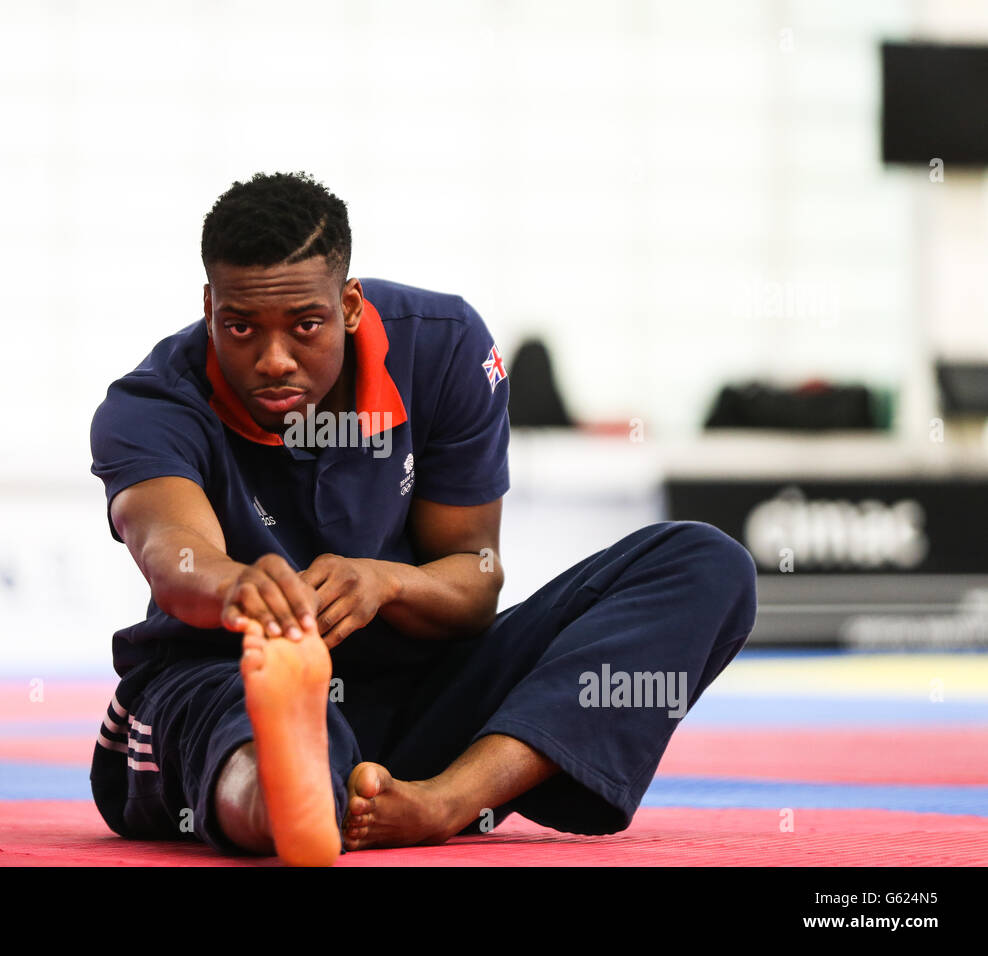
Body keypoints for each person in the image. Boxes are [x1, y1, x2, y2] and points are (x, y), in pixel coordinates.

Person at [88, 171, 757, 866]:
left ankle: (444, 802)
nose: (273, 359)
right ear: (209, 306)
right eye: (241, 327)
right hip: (221, 680)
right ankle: (288, 797)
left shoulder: (445, 350)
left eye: (305, 326)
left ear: (349, 305)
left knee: (705, 562)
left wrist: (388, 583)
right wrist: (238, 590)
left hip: (424, 702)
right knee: (244, 717)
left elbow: (475, 584)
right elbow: (172, 551)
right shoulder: (152, 404)